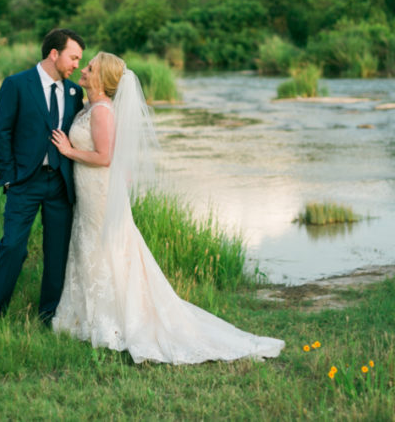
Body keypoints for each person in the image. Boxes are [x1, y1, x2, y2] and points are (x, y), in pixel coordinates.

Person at [50, 52, 283, 363]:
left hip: (100, 190)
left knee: (106, 249)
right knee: (91, 248)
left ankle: (113, 324)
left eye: (90, 67)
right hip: (90, 191)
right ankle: (88, 319)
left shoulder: (103, 111)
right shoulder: (88, 105)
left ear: (101, 79)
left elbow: (105, 157)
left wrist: (68, 150)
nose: (83, 69)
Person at [0, 28, 86, 326]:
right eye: (73, 57)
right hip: (24, 182)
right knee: (13, 246)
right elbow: (1, 133)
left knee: (57, 254)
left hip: (60, 183)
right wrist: (8, 177)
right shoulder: (16, 84)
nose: (76, 65)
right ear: (54, 54)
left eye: (80, 59)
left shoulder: (74, 92)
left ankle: (48, 318)